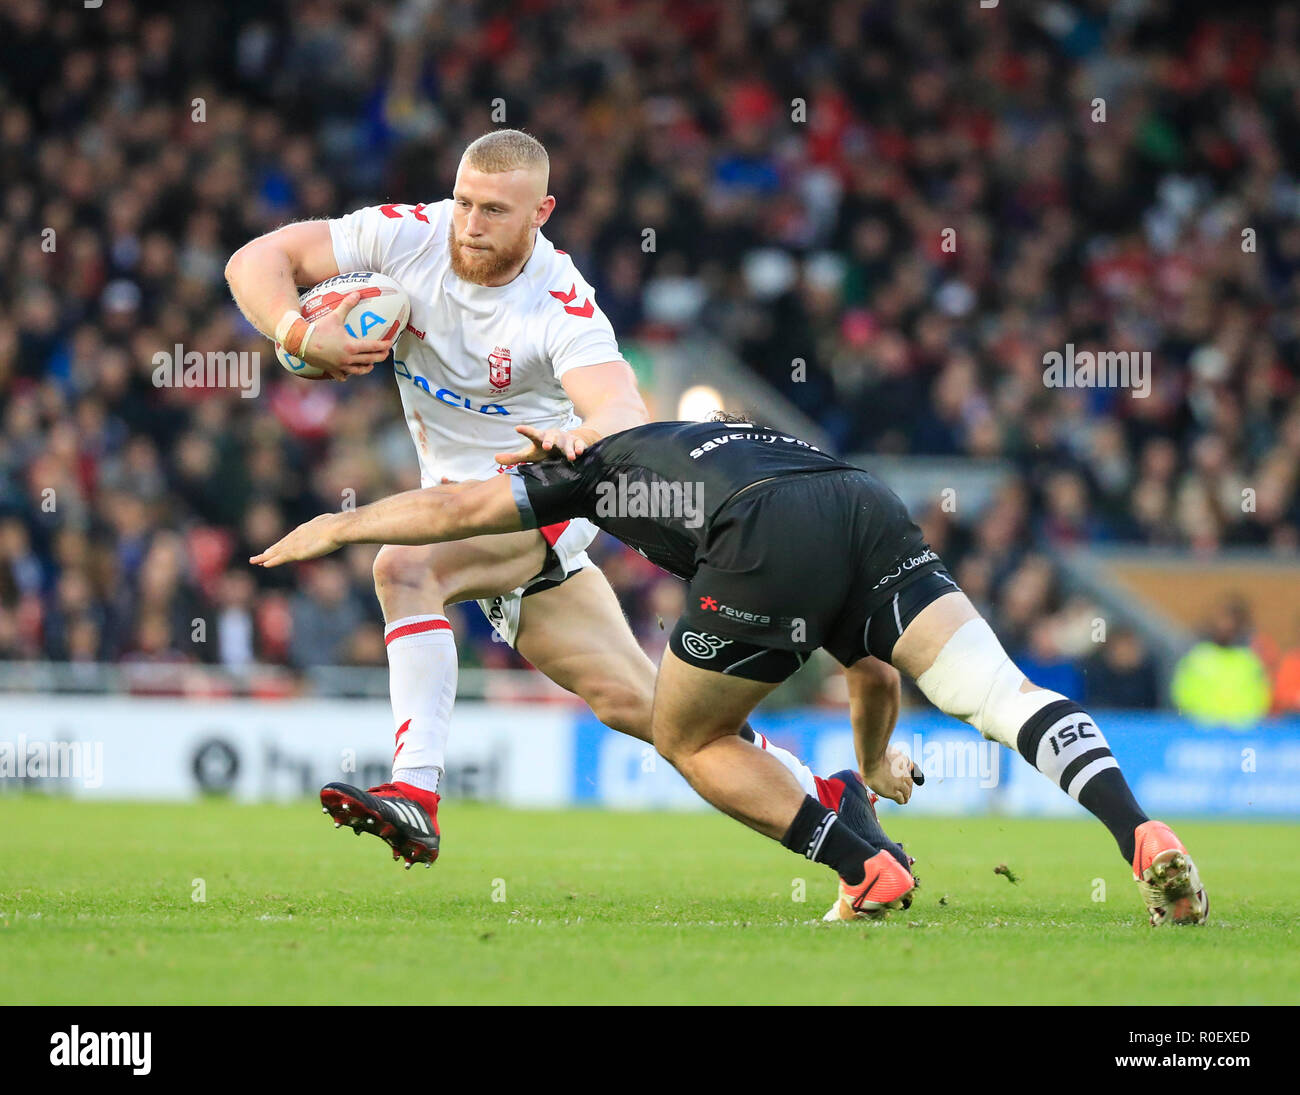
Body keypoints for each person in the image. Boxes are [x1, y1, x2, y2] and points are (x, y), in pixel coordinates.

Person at [225, 129, 881, 879]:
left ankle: (416, 791)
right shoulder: (409, 235)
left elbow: (624, 412)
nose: (469, 223)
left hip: (537, 500)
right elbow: (255, 260)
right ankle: (833, 798)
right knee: (649, 711)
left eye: (494, 211)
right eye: (464, 202)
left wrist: (578, 435)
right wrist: (297, 330)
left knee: (403, 566)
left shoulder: (560, 301)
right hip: (456, 504)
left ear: (542, 211)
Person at [252, 417, 1210, 926]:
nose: (527, 460)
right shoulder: (691, 436)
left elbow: (457, 511)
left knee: (681, 731)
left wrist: (342, 523)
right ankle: (1140, 830)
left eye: (535, 450)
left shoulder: (585, 467)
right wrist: (876, 765)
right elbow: (872, 673)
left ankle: (864, 868)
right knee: (1003, 696)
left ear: (558, 446)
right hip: (857, 497)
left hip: (761, 530)